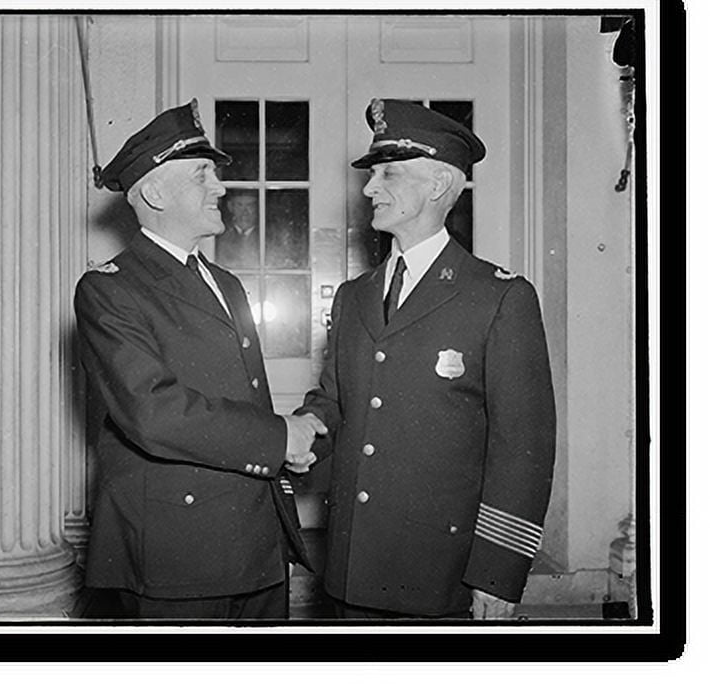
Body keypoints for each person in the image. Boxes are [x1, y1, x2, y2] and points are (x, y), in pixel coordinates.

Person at [295, 99, 557, 620]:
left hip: (440, 575)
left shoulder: (498, 297)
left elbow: (523, 449)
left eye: (388, 173)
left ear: (438, 185)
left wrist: (498, 573)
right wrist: (295, 434)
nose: (369, 188)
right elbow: (335, 403)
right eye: (372, 174)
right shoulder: (353, 296)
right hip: (351, 564)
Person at [74, 99, 326, 619]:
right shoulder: (110, 289)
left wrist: (284, 445)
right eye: (202, 175)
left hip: (258, 537)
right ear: (155, 193)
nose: (221, 188)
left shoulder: (226, 283)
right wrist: (279, 437)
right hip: (178, 554)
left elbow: (239, 398)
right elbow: (153, 412)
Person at [215, 190, 260, 269]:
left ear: (258, 207)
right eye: (239, 205)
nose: (245, 212)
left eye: (250, 205)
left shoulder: (270, 237)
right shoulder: (218, 236)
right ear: (230, 207)